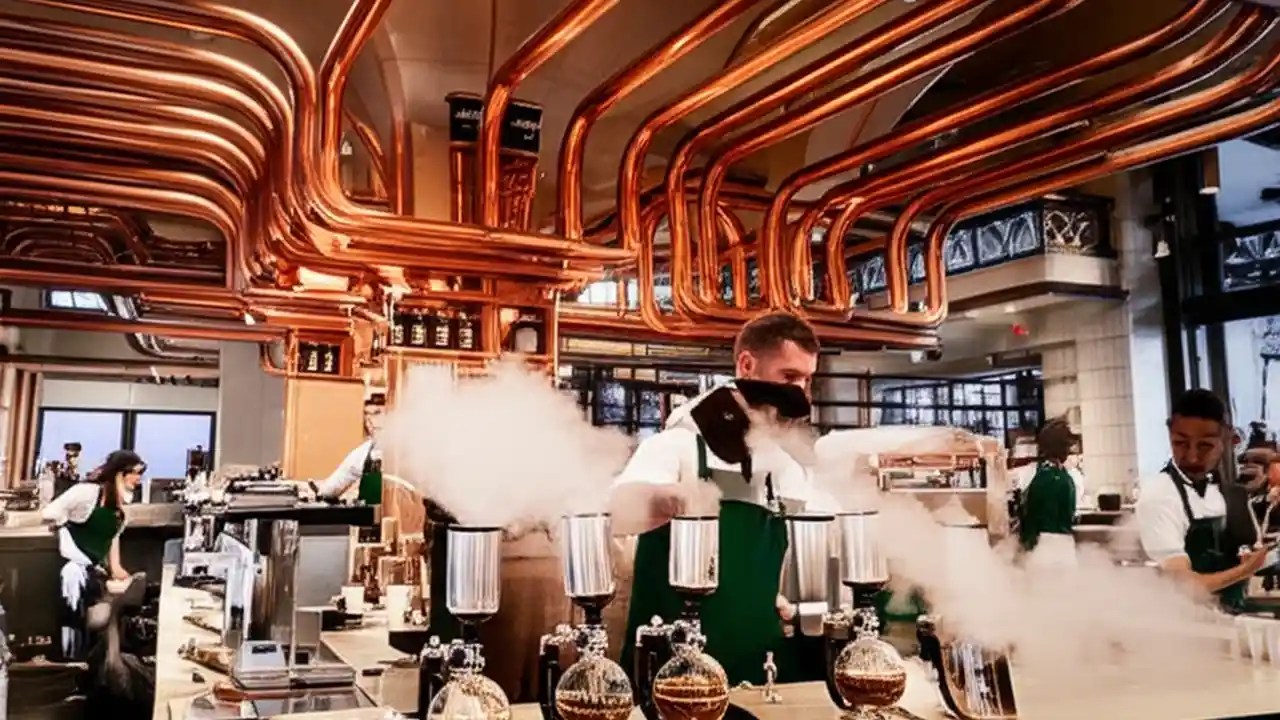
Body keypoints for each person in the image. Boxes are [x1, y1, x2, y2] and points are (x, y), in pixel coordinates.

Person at [610, 311, 833, 686]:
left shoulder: (786, 467)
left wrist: (780, 602)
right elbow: (616, 515)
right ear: (746, 364)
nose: (801, 394)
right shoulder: (677, 446)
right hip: (672, 675)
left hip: (759, 672)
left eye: (807, 381)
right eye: (789, 377)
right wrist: (671, 499)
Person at [1136, 390, 1271, 613]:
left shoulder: (1229, 493)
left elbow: (1249, 550)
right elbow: (1185, 586)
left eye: (1205, 446)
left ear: (1227, 438)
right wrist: (1245, 570)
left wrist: (1255, 556)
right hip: (1186, 629)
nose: (1191, 457)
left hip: (1232, 617)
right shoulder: (1160, 494)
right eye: (1180, 443)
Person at [41, 449, 144, 659]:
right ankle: (70, 659)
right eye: (135, 472)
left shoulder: (120, 513)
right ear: (119, 474)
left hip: (93, 573)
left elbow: (113, 550)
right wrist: (62, 527)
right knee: (72, 606)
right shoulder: (87, 493)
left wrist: (124, 574)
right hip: (72, 569)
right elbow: (50, 513)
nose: (138, 479)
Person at [1018, 418, 1079, 553]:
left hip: (1046, 547)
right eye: (1066, 446)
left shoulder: (1043, 475)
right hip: (1054, 547)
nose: (1068, 451)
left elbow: (1029, 520)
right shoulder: (1058, 477)